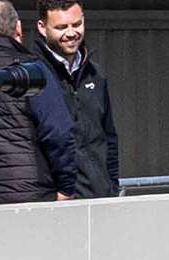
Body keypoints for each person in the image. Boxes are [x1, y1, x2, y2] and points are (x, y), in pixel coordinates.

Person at [0, 0, 72, 204]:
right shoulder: (32, 71)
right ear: (18, 28)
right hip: (33, 193)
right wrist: (66, 186)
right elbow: (58, 132)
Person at [34, 0, 115, 198]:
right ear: (42, 28)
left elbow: (109, 138)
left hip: (99, 196)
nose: (71, 33)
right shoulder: (34, 74)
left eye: (76, 24)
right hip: (56, 200)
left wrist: (111, 186)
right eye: (61, 27)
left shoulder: (95, 74)